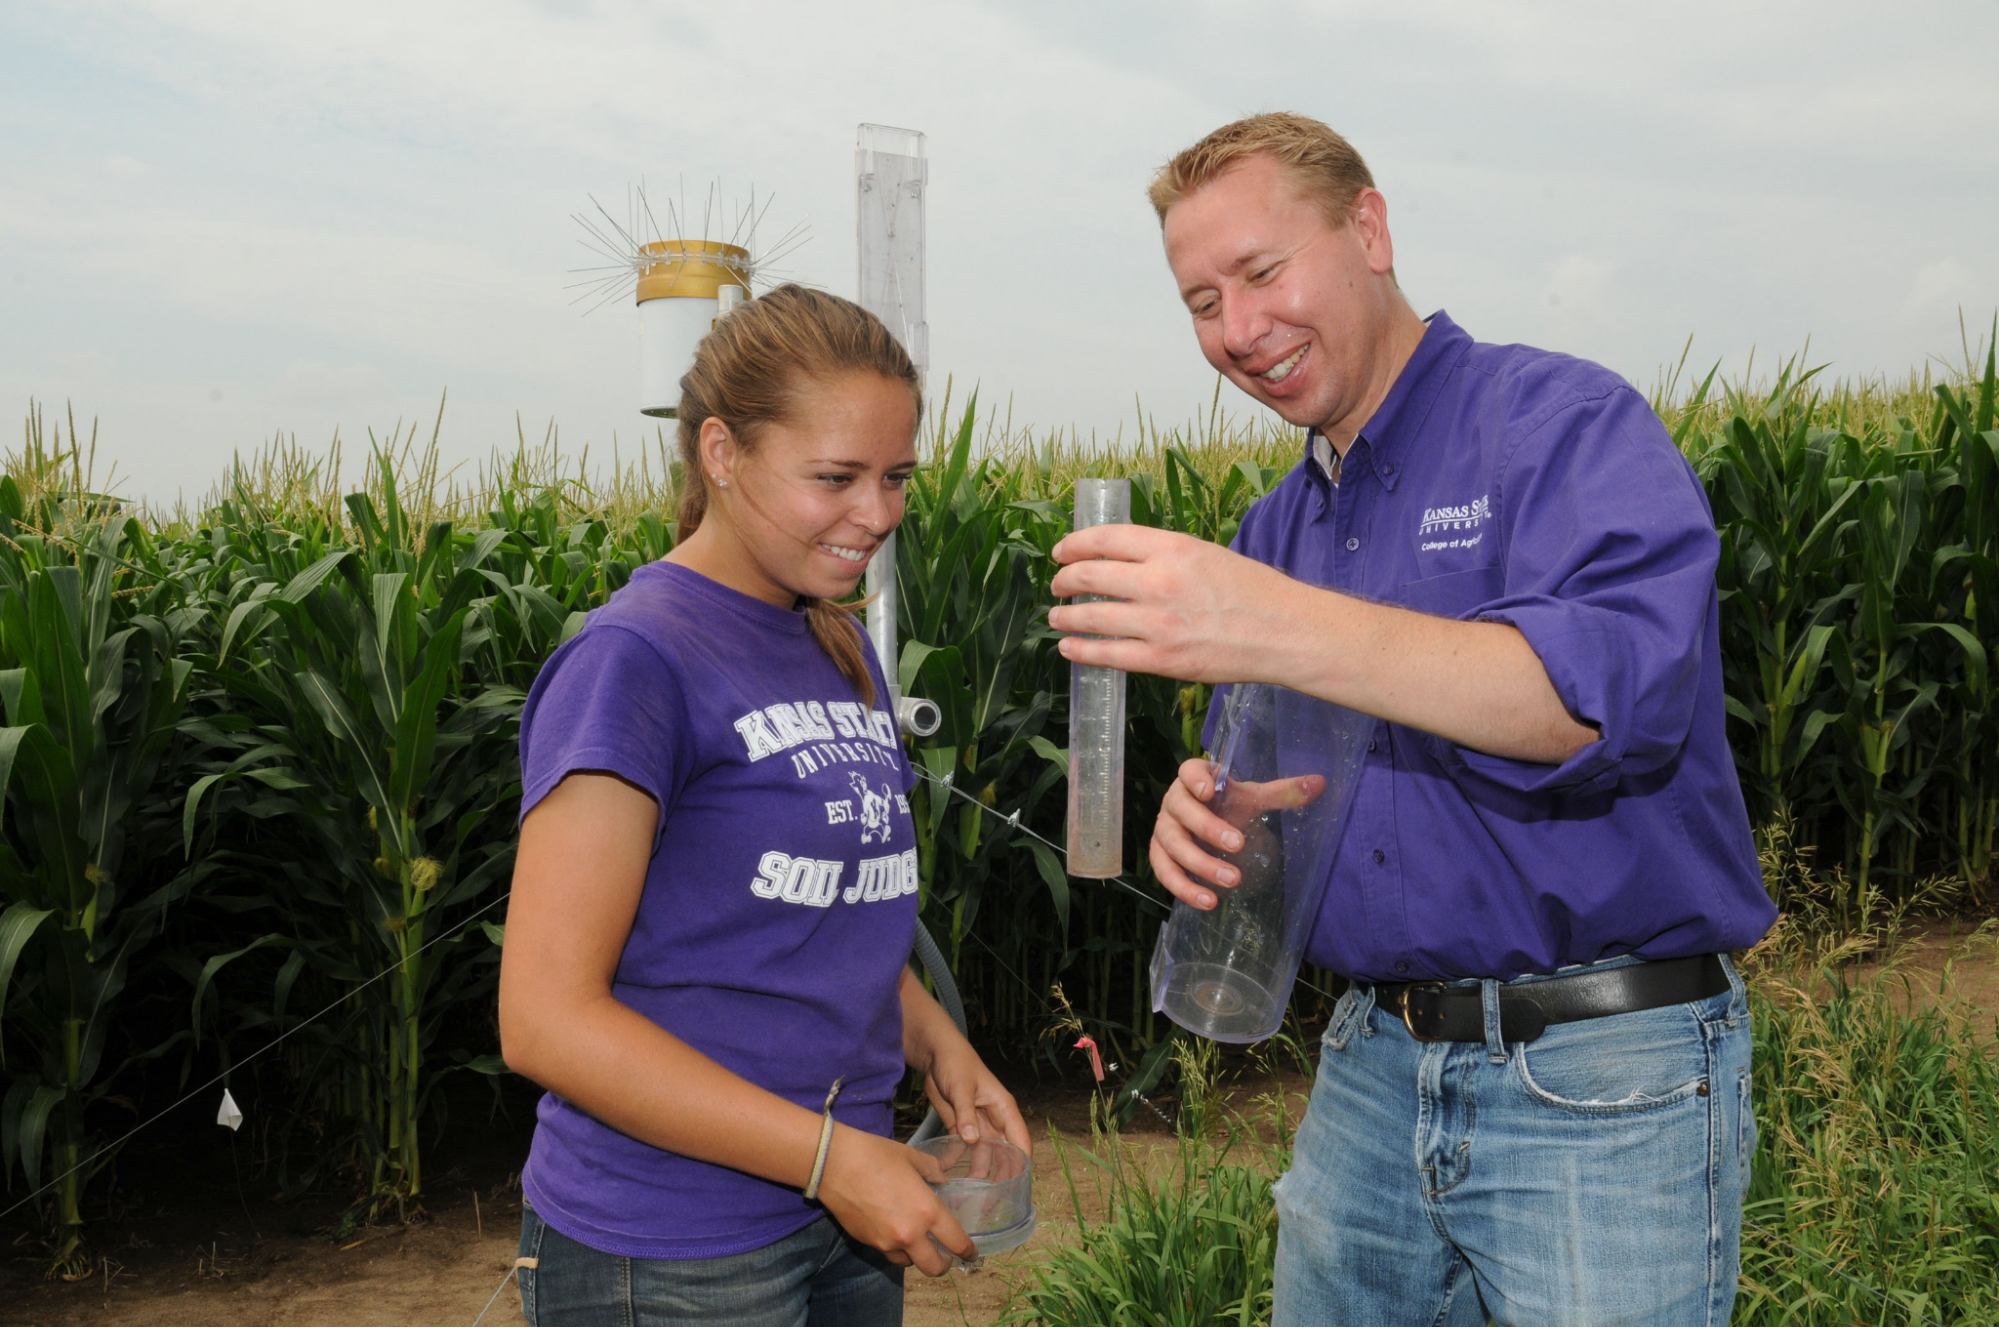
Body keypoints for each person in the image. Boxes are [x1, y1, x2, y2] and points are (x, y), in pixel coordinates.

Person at [1049, 114, 1776, 1326]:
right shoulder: (1279, 526)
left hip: (1600, 1071)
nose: (1236, 331)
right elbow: (1292, 807)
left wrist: (1270, 621)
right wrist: (1216, 820)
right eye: (1200, 300)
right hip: (1371, 1072)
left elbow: (1594, 706)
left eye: (1263, 272)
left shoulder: (1563, 426)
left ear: (1369, 229)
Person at [499, 284, 1030, 1327]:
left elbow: (820, 921)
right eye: (833, 477)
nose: (875, 514)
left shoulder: (833, 644)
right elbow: (544, 1018)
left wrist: (937, 1047)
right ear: (721, 452)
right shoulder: (635, 660)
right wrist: (829, 1158)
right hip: (673, 1247)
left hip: (842, 1216)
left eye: (896, 476)